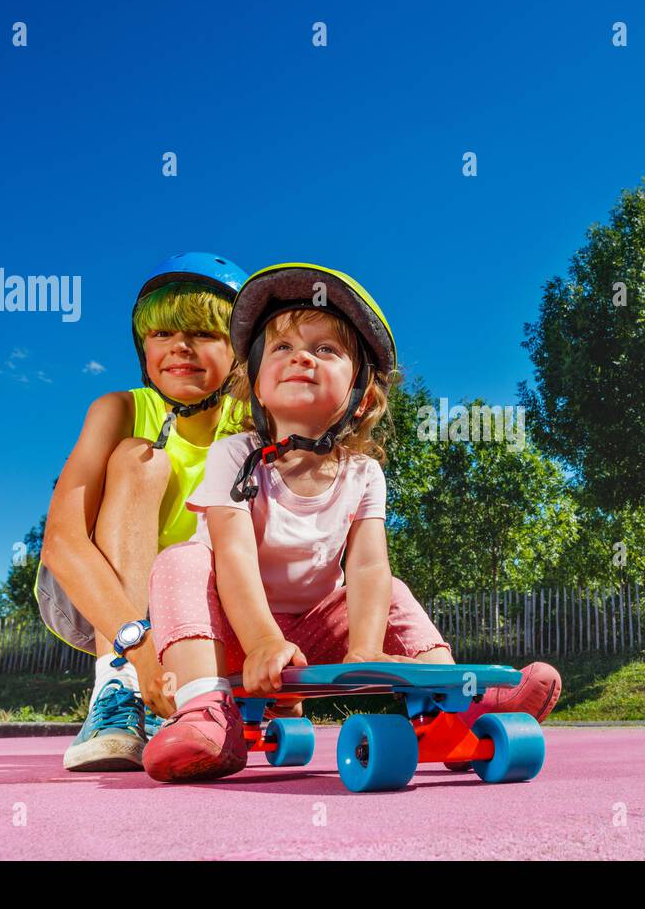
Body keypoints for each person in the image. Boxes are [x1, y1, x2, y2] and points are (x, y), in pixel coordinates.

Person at [141, 263, 561, 782]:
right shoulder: (235, 455)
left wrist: (363, 646)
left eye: (325, 350)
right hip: (231, 631)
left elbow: (365, 566)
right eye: (282, 348)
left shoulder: (363, 473)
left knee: (391, 587)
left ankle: (456, 699)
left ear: (361, 395)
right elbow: (233, 554)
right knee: (181, 560)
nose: (302, 357)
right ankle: (203, 711)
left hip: (315, 627)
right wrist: (262, 641)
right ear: (253, 380)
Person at [34, 252, 249, 771]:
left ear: (240, 352)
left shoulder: (255, 421)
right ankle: (119, 689)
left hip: (218, 607)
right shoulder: (121, 408)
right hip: (113, 611)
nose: (179, 346)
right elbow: (62, 543)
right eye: (161, 334)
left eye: (203, 332)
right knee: (139, 458)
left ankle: (204, 687)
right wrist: (141, 653)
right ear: (143, 348)